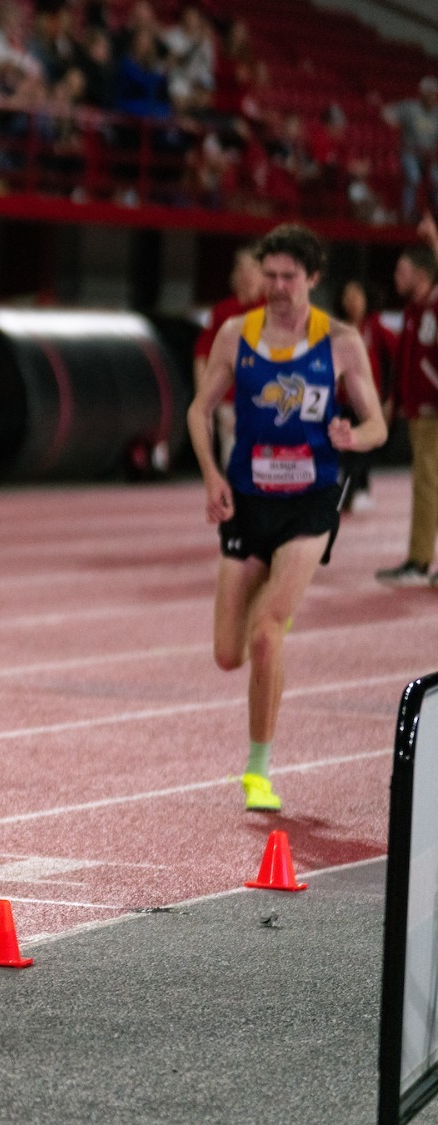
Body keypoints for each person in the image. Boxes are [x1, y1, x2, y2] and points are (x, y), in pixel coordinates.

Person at [188, 224, 386, 813]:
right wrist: (211, 476)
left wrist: (353, 436)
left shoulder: (340, 341)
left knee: (266, 633)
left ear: (313, 278)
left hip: (310, 501)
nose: (276, 287)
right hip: (248, 499)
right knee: (229, 653)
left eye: (288, 277)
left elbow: (378, 424)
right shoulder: (236, 334)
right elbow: (199, 411)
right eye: (269, 275)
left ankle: (257, 771)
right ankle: (271, 617)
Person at [377, 216, 438, 586]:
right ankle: (419, 559)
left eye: (402, 271)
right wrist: (393, 400)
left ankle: (418, 562)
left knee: (427, 484)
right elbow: (404, 360)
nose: (395, 277)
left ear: (422, 275)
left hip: (433, 410)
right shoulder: (415, 311)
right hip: (420, 410)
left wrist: (435, 241)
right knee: (426, 484)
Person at [194, 246, 267, 469]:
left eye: (252, 269)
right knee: (234, 456)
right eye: (242, 270)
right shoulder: (223, 311)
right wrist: (204, 395)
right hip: (230, 398)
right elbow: (202, 354)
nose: (247, 275)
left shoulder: (272, 310)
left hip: (266, 396)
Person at [336, 278, 396, 513]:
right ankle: (356, 488)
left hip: (369, 400)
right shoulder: (338, 328)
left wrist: (390, 396)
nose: (352, 302)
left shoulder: (374, 325)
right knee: (350, 449)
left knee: (363, 447)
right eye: (347, 297)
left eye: (356, 296)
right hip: (344, 401)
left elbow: (396, 350)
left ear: (365, 300)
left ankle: (352, 491)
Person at [382, 77, 438, 224]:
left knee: (436, 180)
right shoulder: (411, 107)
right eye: (430, 93)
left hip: (429, 156)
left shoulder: (436, 113)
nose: (433, 97)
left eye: (435, 94)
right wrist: (392, 121)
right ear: (423, 94)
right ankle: (407, 214)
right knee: (413, 178)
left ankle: (434, 214)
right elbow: (387, 111)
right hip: (410, 153)